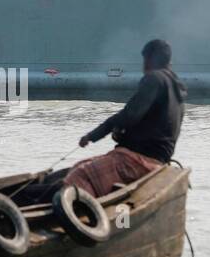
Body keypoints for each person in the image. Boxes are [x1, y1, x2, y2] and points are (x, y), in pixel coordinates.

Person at [64, 39, 186, 198]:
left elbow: (129, 116)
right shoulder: (177, 88)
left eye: (145, 60)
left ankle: (79, 213)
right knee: (78, 166)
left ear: (149, 59)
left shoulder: (154, 79)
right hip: (159, 161)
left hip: (137, 160)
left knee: (79, 176)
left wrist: (92, 135)